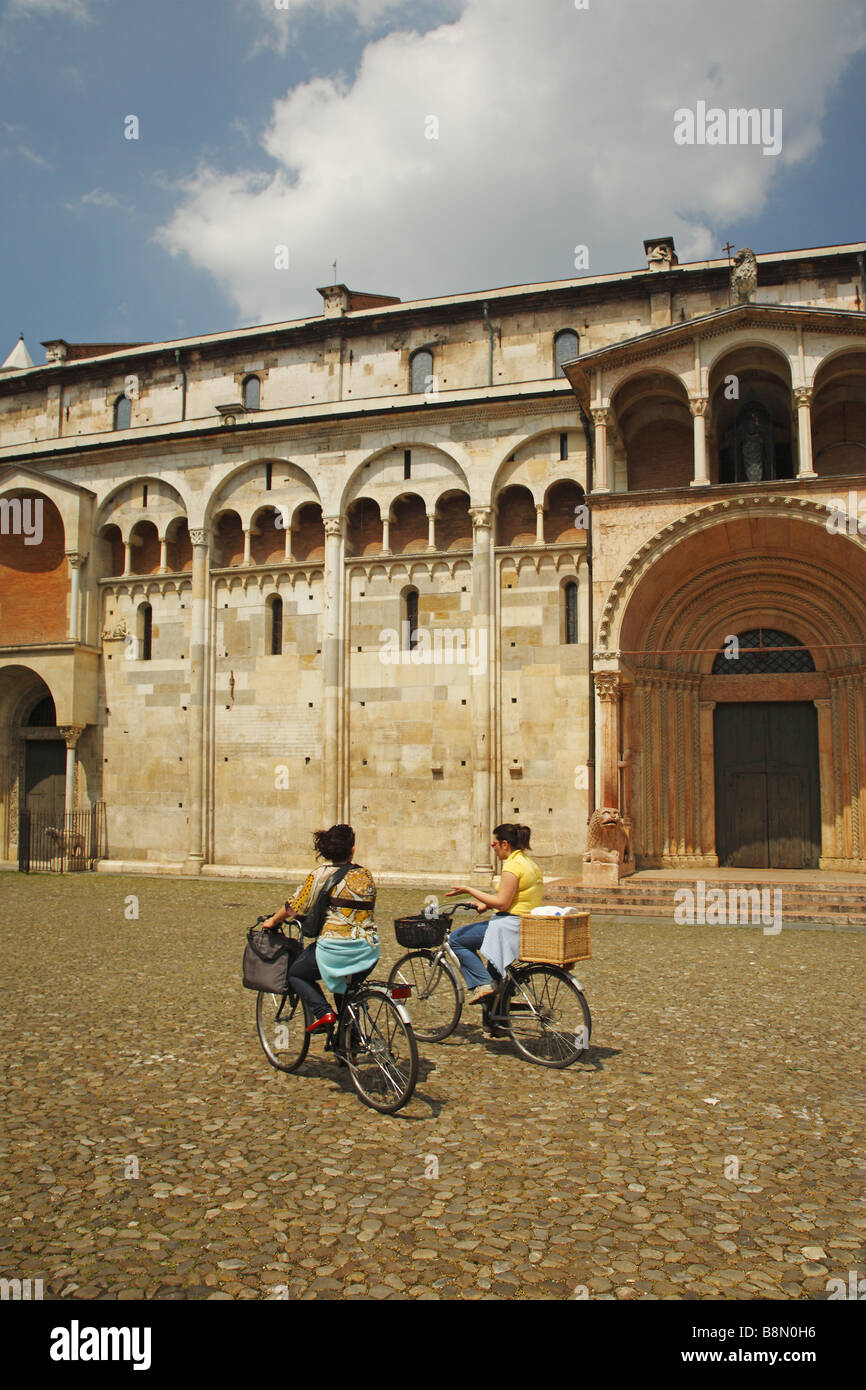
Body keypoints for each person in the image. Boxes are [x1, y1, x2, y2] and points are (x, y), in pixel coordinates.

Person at [260, 824, 379, 1032]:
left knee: (296, 973)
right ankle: (349, 1050)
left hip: (336, 947)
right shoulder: (365, 874)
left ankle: (323, 1012)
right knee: (347, 992)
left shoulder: (320, 875)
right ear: (352, 849)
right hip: (368, 949)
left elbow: (295, 906)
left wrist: (272, 921)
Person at [444, 823, 543, 1004]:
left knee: (456, 940)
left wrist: (468, 889)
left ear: (504, 844)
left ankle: (482, 984)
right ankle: (495, 1023)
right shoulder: (528, 863)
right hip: (524, 923)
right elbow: (517, 897)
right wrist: (486, 905)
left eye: (494, 845)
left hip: (509, 925)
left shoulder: (512, 866)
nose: (494, 850)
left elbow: (503, 902)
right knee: (494, 969)